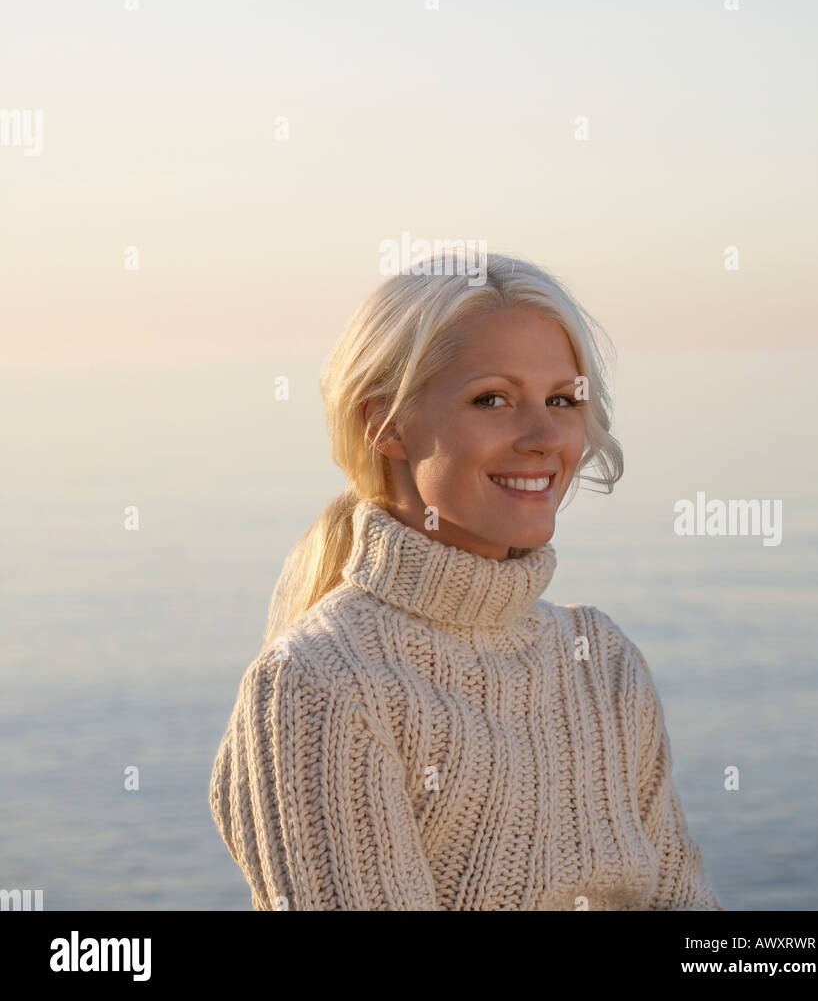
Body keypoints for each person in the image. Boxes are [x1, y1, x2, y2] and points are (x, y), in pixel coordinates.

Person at [209, 251, 723, 911]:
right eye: (493, 399)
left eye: (563, 400)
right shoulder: (320, 681)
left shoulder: (603, 663)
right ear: (384, 424)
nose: (544, 437)